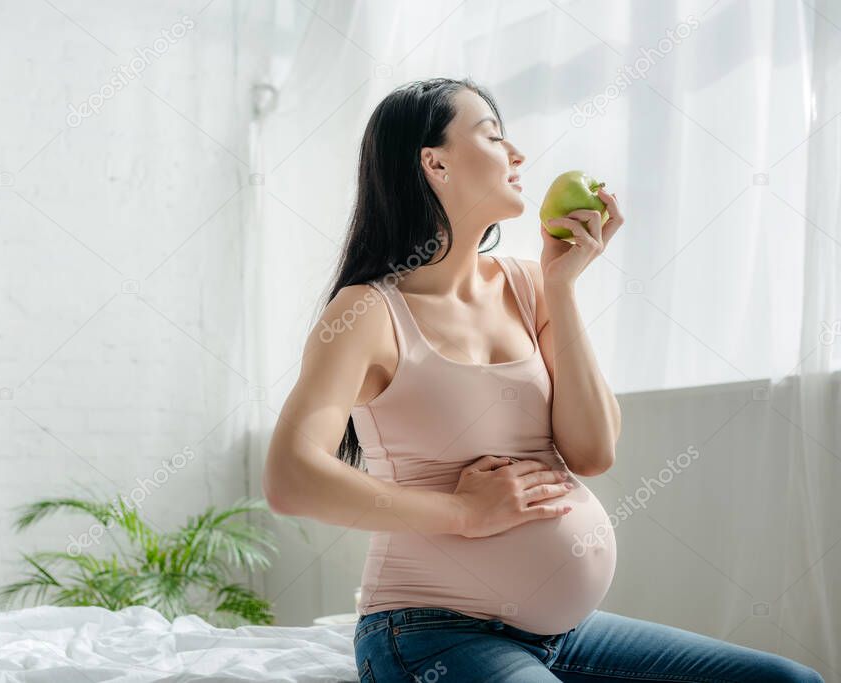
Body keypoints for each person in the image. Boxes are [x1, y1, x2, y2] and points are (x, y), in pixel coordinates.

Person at [262, 77, 824, 682]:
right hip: (429, 633)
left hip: (564, 634)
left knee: (788, 681)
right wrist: (463, 513)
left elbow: (593, 451)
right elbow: (290, 481)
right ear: (435, 163)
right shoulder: (366, 311)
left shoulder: (531, 286)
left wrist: (562, 285)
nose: (518, 154)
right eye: (494, 135)